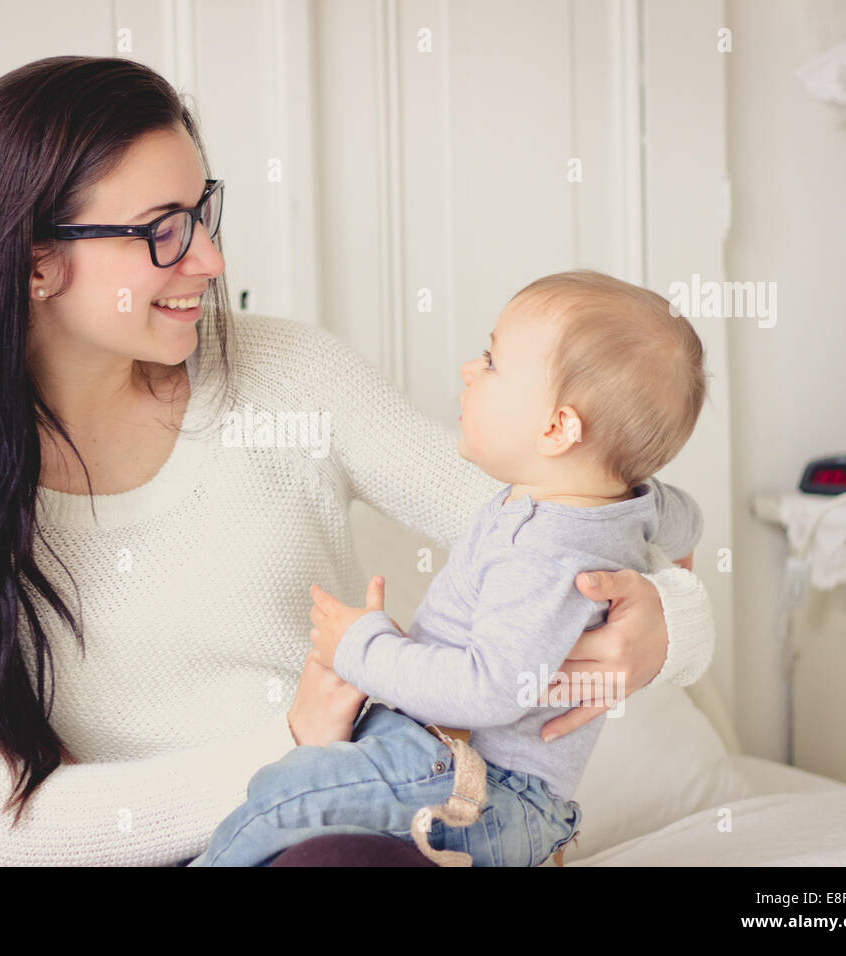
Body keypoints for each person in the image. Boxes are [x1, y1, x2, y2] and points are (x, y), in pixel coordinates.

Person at [0, 56, 715, 867]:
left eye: (203, 212)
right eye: (162, 229)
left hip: (356, 830)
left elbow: (560, 505)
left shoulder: (288, 377)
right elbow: (11, 826)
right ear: (36, 262)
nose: (209, 258)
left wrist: (669, 624)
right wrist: (293, 744)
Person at [190, 271, 707, 867]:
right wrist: (672, 589)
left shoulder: (542, 553)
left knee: (288, 795)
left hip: (479, 784)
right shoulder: (635, 501)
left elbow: (488, 691)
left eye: (491, 362)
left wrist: (360, 647)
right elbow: (687, 525)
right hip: (465, 775)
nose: (469, 369)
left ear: (557, 427)